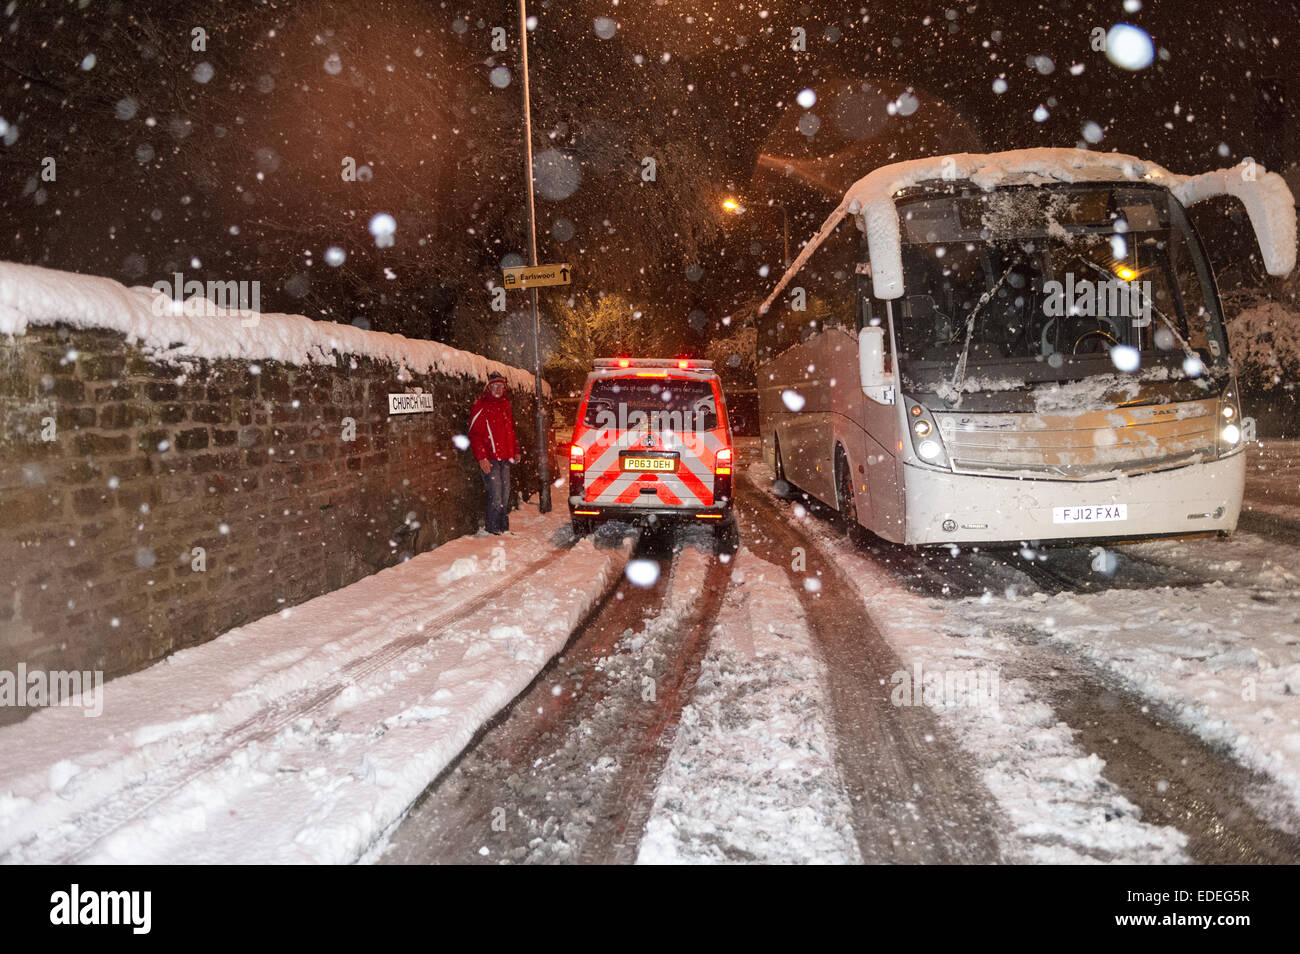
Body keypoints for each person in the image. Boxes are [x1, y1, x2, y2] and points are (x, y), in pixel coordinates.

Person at [468, 370, 521, 534]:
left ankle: (503, 528)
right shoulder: (481, 406)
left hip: (505, 458)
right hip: (490, 458)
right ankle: (493, 528)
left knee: (505, 495)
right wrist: (482, 458)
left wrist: (516, 450)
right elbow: (474, 435)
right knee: (496, 495)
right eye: (495, 386)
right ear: (489, 387)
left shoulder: (505, 405)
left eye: (501, 386)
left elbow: (510, 430)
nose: (498, 389)